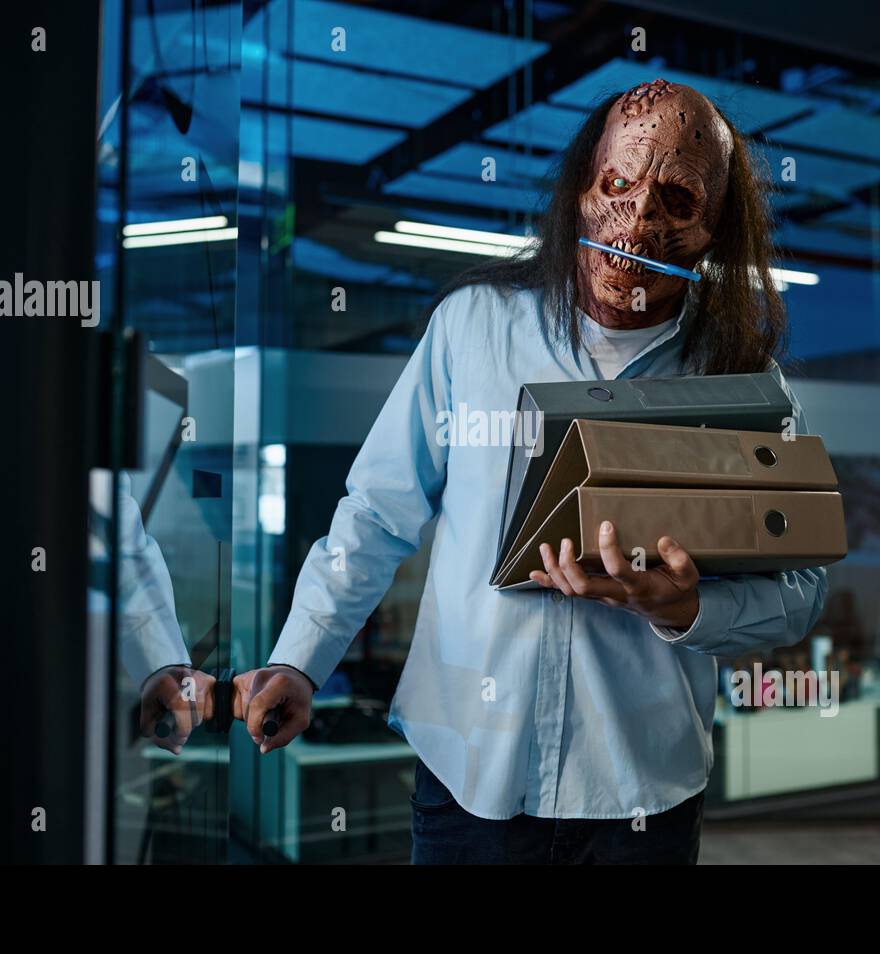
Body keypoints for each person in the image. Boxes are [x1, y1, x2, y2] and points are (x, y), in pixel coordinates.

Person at [234, 79, 830, 864]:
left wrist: (689, 608)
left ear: (714, 232)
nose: (640, 218)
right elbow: (377, 513)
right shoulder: (470, 328)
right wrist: (299, 659)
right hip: (467, 777)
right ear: (582, 190)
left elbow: (801, 589)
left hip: (640, 800)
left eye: (677, 199)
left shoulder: (742, 381)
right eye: (618, 183)